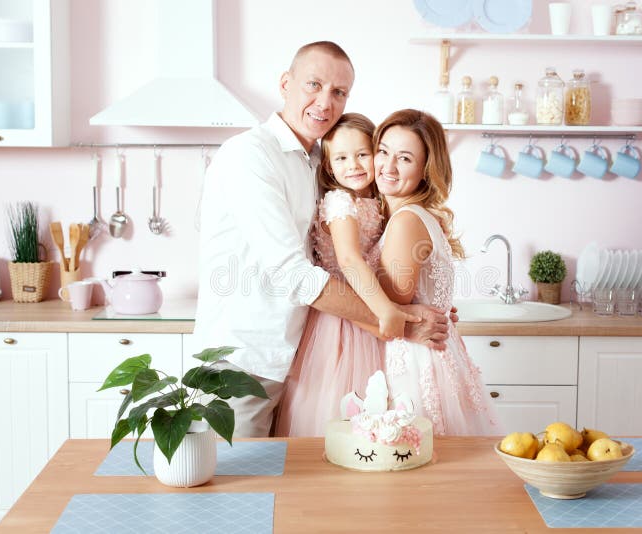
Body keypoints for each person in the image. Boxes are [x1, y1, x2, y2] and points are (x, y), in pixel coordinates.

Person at [194, 42, 450, 438]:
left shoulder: (321, 162)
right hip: (243, 362)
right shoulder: (249, 155)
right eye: (313, 84)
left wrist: (427, 302)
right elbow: (294, 275)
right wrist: (400, 322)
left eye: (339, 92)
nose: (325, 102)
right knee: (238, 475)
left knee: (299, 472)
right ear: (285, 83)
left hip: (298, 358)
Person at [275, 113, 412, 437]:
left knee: (375, 402)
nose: (353, 165)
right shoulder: (339, 202)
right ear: (328, 166)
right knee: (340, 400)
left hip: (365, 306)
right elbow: (349, 259)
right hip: (340, 317)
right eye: (341, 158)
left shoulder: (375, 201)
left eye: (362, 154)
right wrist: (386, 310)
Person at [374, 109, 497, 436]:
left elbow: (391, 305)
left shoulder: (406, 221)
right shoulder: (420, 216)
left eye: (404, 158)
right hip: (433, 353)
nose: (388, 166)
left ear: (426, 170)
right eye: (383, 151)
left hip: (414, 359)